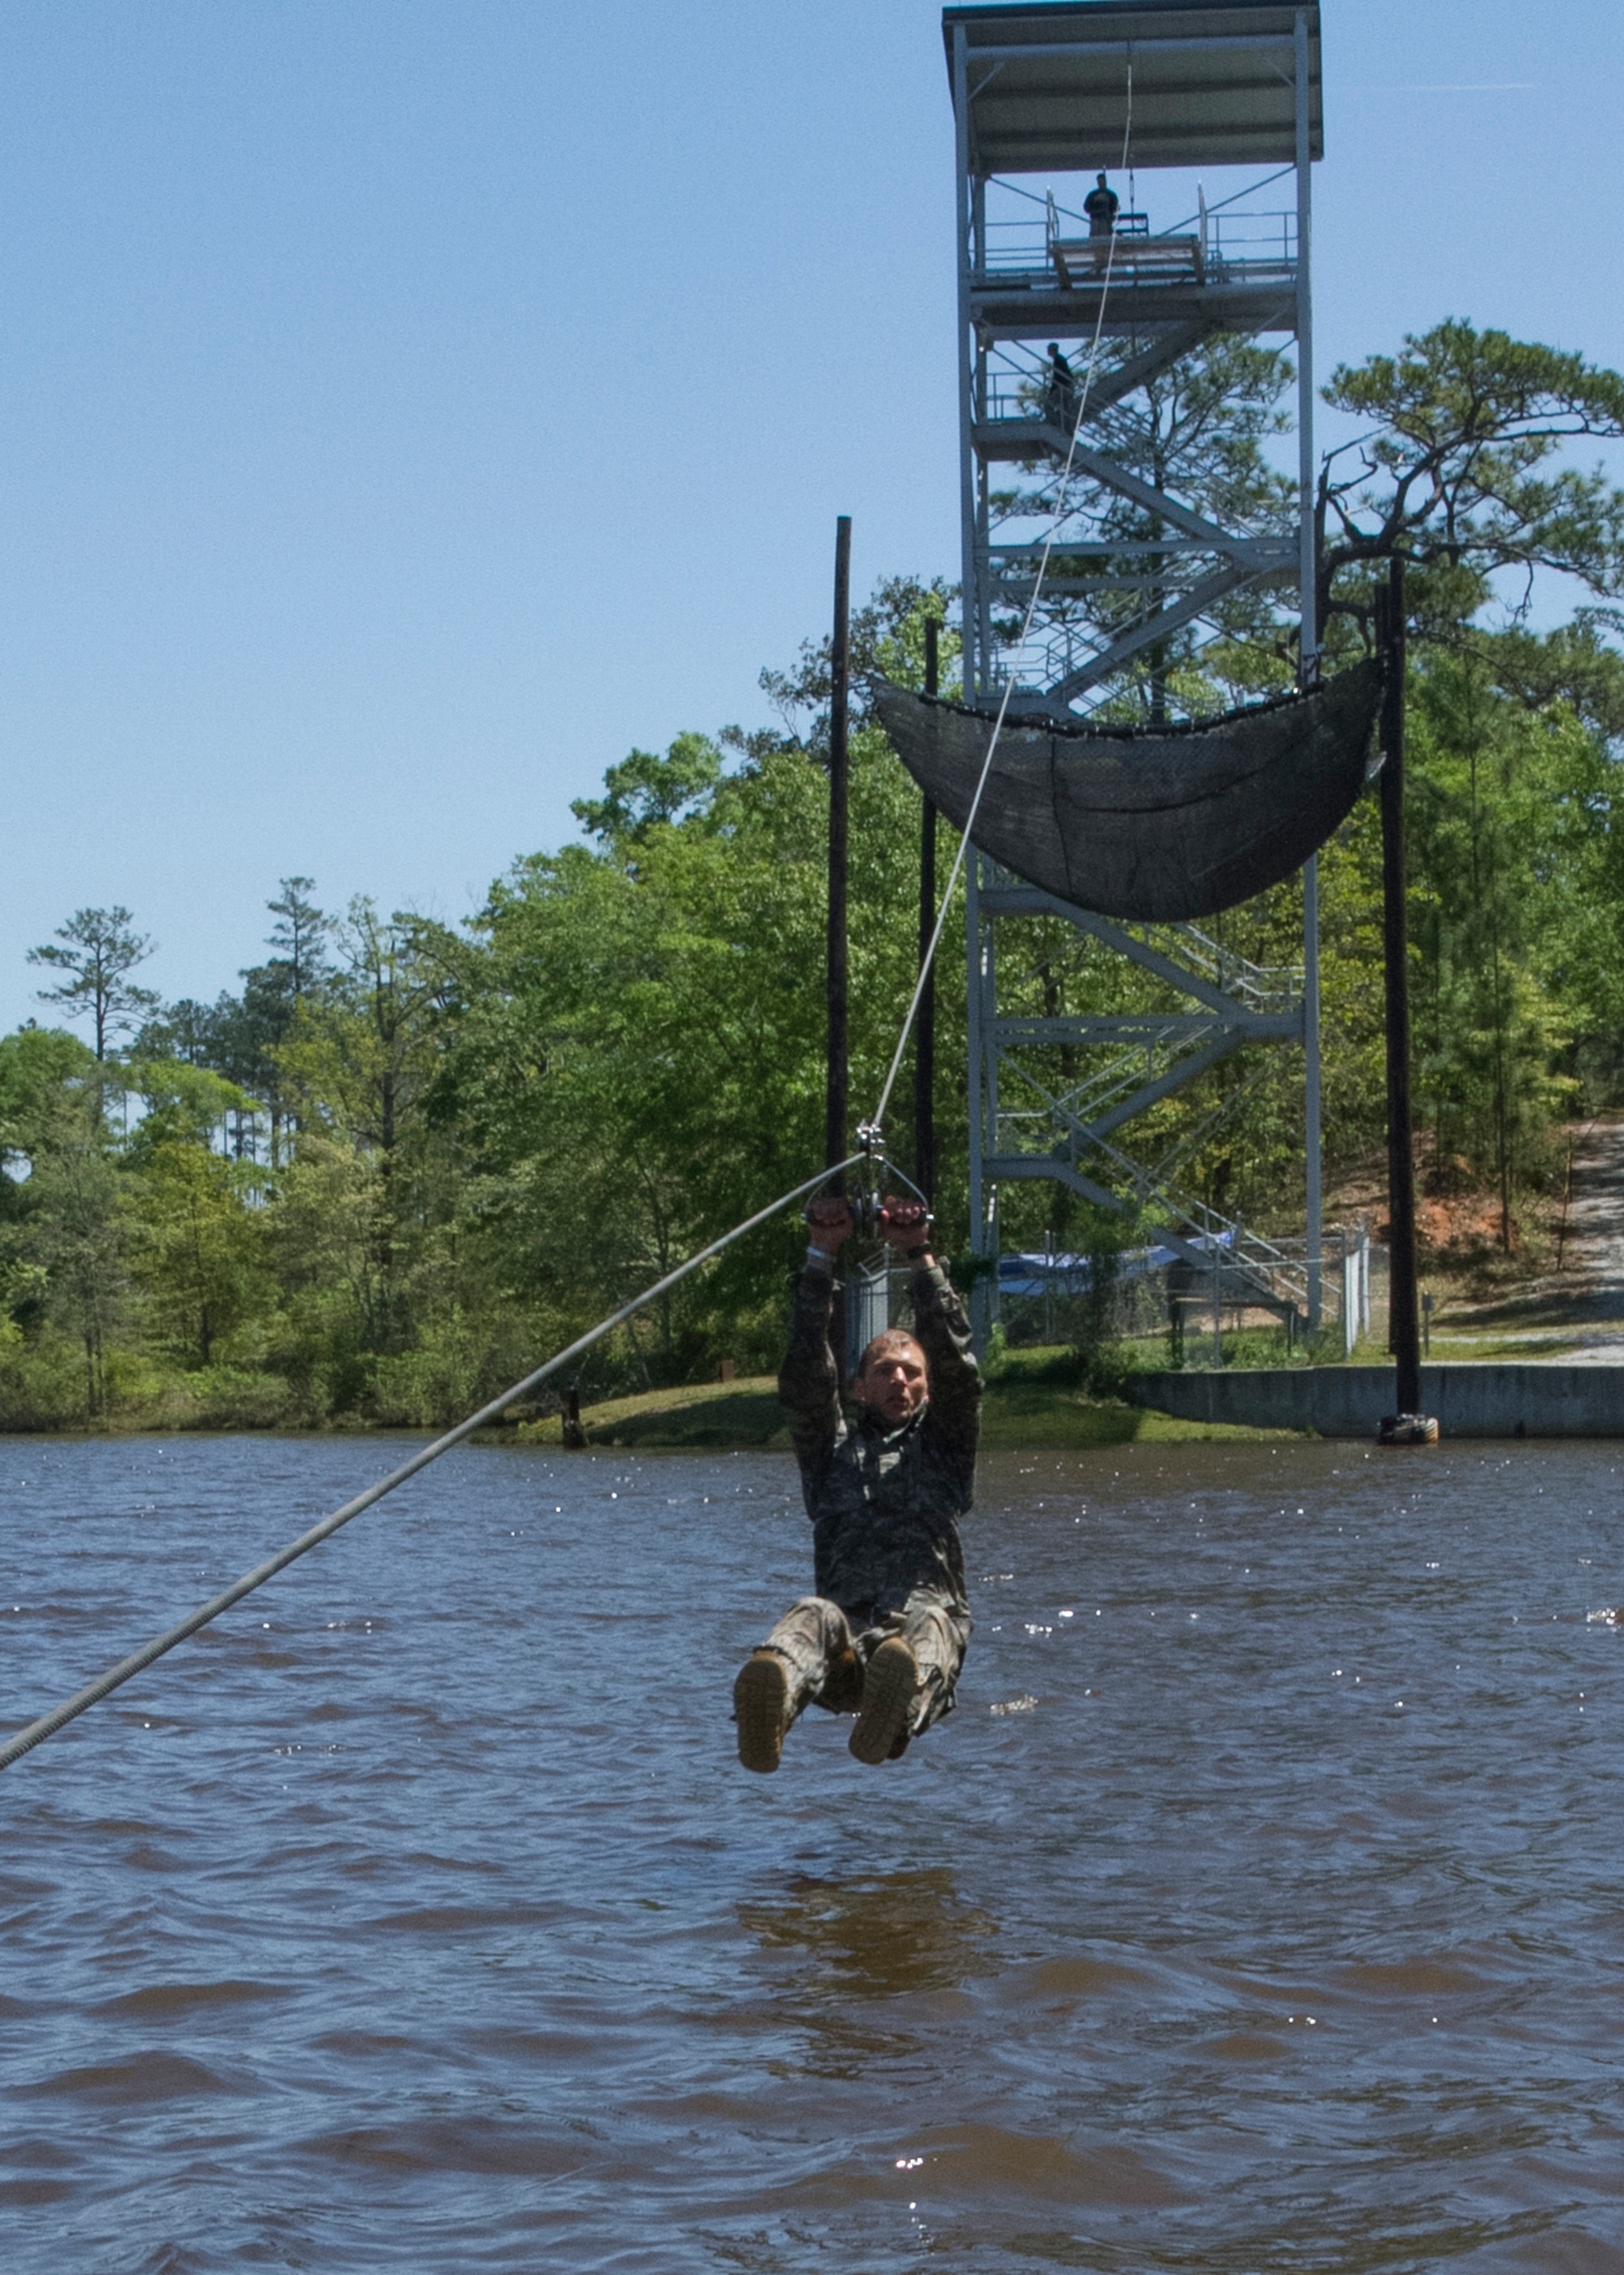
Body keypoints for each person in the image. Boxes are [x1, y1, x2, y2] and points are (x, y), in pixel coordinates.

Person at [732, 1195, 981, 1773]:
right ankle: (771, 1704)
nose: (900, 1379)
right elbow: (804, 1380)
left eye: (912, 1372)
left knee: (927, 1626)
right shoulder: (833, 1456)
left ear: (927, 1387)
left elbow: (958, 1370)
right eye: (884, 1371)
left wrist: (919, 1252)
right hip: (844, 1650)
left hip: (919, 1635)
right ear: (860, 1387)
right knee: (814, 1611)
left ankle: (894, 1713)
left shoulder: (944, 1448)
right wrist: (820, 1254)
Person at [1044, 342, 1078, 433]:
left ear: (1053, 350)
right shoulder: (1060, 359)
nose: (1047, 351)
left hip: (1064, 386)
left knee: (1049, 404)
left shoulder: (1058, 360)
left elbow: (1058, 376)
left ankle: (1053, 422)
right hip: (1068, 386)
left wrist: (1052, 389)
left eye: (1049, 349)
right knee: (1065, 409)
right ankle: (1068, 430)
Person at [1085, 171, 1120, 238]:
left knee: (1105, 237)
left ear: (1105, 182)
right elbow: (1086, 207)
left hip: (1106, 220)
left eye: (1102, 181)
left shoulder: (1111, 195)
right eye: (1099, 182)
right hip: (1095, 220)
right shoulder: (1093, 195)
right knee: (1094, 238)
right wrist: (1096, 211)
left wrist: (1110, 214)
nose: (1100, 183)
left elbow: (1116, 207)